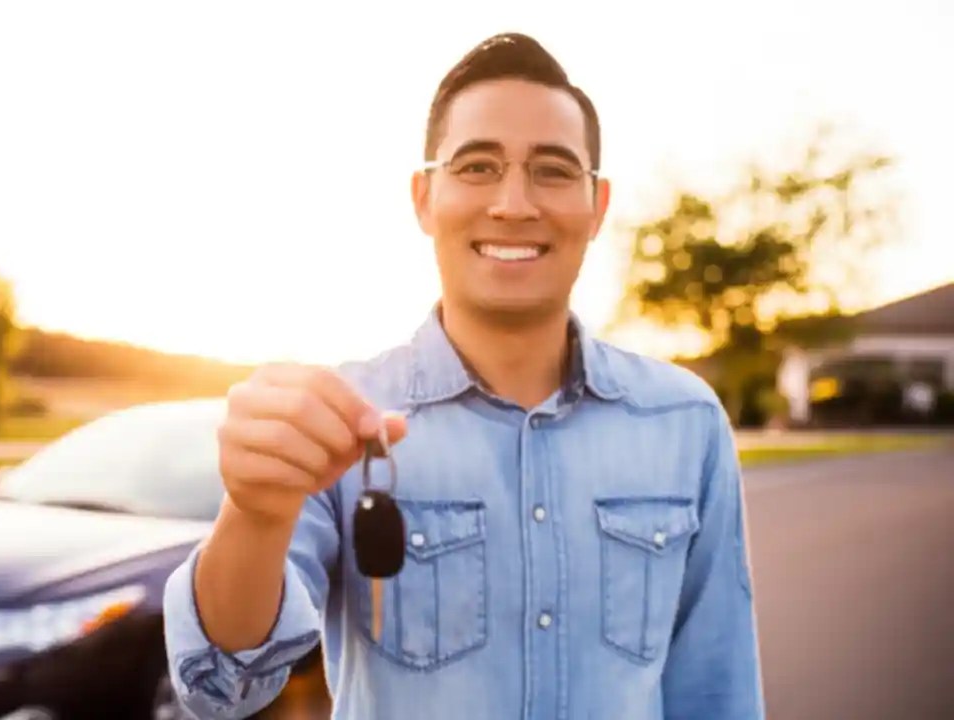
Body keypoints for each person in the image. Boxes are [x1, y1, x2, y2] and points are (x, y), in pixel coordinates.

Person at [162, 31, 764, 719]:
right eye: (477, 166)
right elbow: (223, 686)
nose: (514, 203)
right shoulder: (340, 425)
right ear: (424, 198)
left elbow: (718, 694)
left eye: (553, 170)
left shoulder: (685, 422)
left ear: (597, 206)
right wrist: (254, 514)